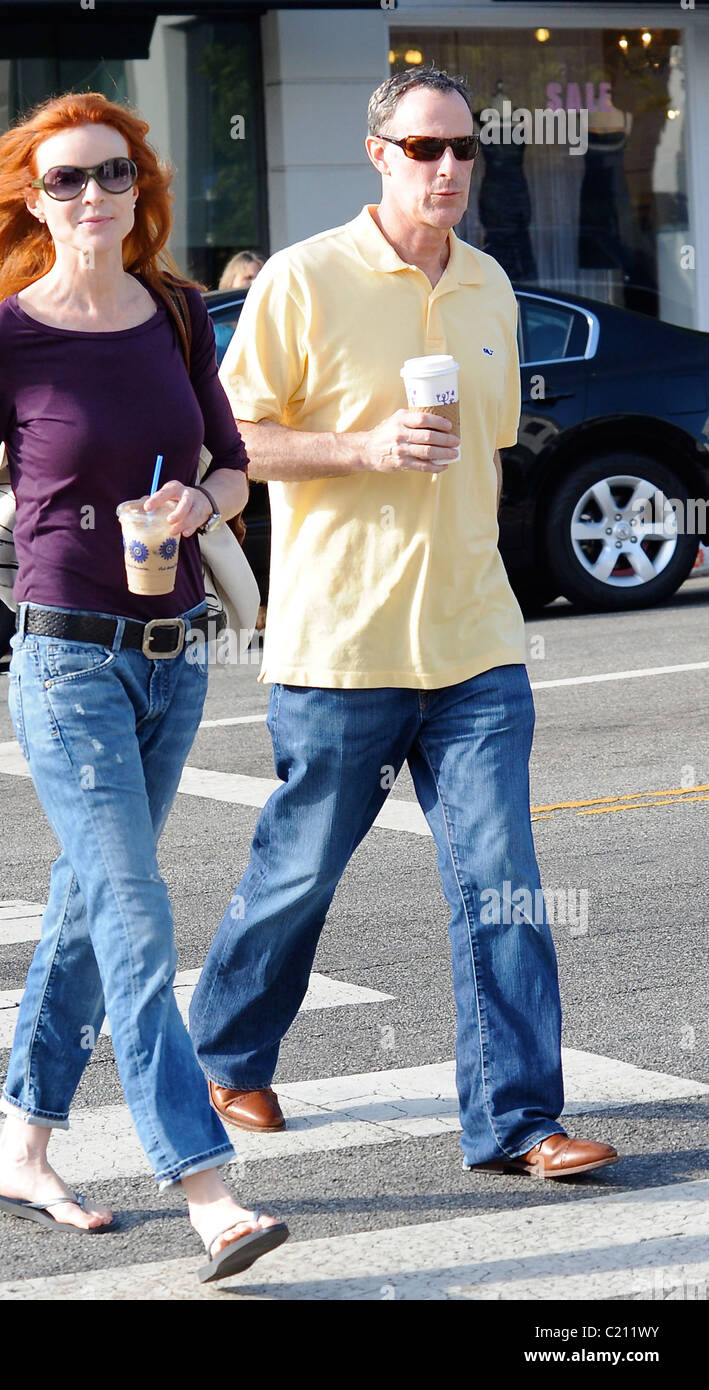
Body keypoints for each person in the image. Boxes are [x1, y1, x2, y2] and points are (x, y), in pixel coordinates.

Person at [0, 90, 288, 1282]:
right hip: (64, 662)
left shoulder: (181, 317)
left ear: (140, 190)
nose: (93, 196)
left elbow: (233, 470)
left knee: (88, 910)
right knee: (136, 918)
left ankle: (21, 1142)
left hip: (174, 659)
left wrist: (199, 502)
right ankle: (207, 1187)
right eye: (67, 180)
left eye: (113, 175)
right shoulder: (7, 337)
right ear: (36, 201)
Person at [189, 67, 619, 1181]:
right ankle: (225, 1053)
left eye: (464, 150)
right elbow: (231, 450)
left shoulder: (486, 287)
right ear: (376, 154)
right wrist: (362, 447)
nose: (446, 169)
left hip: (476, 641)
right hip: (340, 645)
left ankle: (519, 1122)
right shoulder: (304, 281)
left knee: (500, 881)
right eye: (423, 149)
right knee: (296, 876)